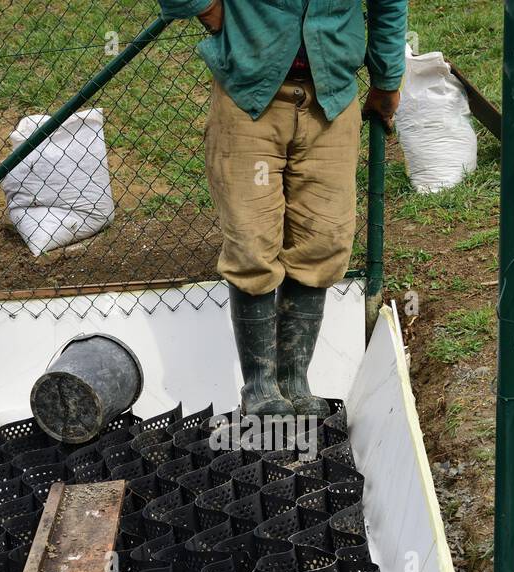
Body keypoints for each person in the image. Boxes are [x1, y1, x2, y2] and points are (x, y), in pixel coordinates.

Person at [159, 0, 406, 417]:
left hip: (330, 99)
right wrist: (206, 8)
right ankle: (259, 387)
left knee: (324, 239)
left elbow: (389, 3)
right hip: (250, 99)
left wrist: (387, 77)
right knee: (252, 242)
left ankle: (295, 381)